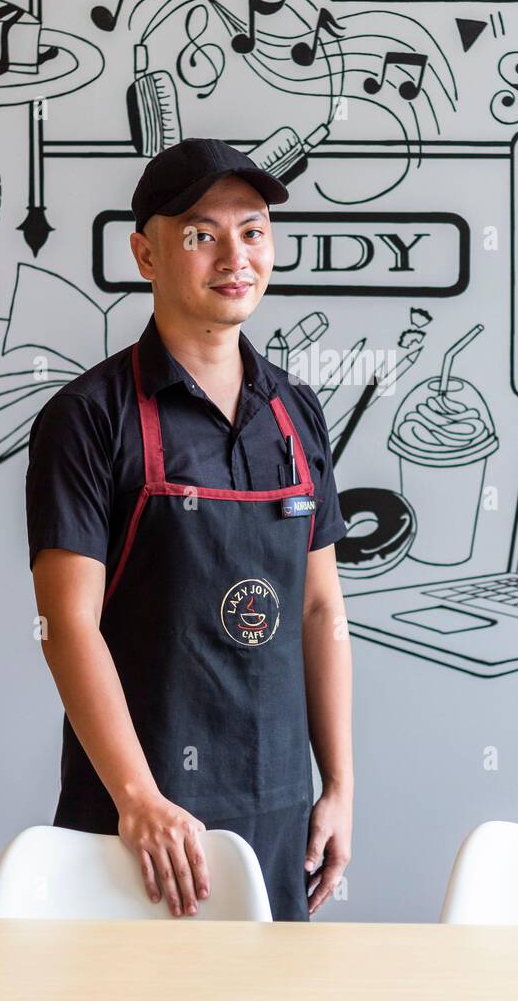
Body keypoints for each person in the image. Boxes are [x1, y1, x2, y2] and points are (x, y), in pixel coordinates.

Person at [25, 138, 353, 920]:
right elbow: (67, 623)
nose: (235, 256)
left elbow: (319, 610)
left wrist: (338, 785)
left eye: (253, 230)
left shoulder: (295, 412)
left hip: (280, 814)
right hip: (138, 823)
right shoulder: (88, 417)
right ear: (146, 254)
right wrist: (138, 798)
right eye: (201, 235)